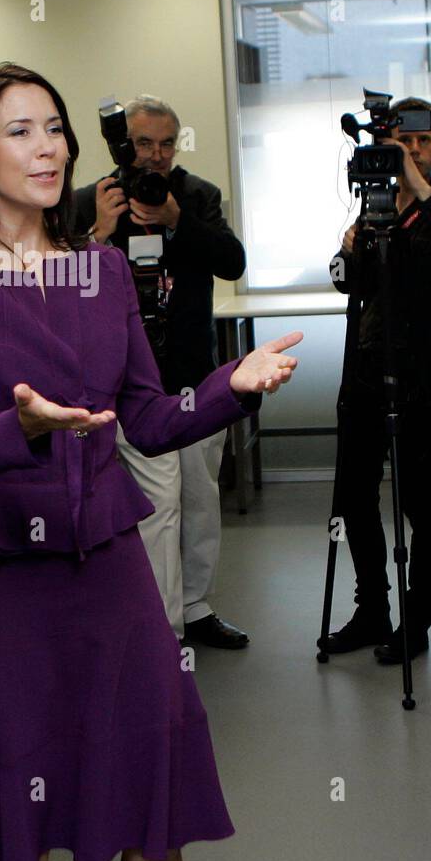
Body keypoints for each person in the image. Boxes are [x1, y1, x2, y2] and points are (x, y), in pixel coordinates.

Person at [0, 63, 301, 861]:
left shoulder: (101, 270)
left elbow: (146, 417)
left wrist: (228, 388)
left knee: (154, 805)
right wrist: (23, 427)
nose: (50, 149)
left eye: (56, 129)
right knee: (14, 816)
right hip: (0, 580)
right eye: (21, 131)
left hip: (107, 569)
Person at [73, 95, 250, 650]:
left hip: (191, 373)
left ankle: (194, 608)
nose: (155, 155)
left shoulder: (197, 195)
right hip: (120, 382)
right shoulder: (90, 200)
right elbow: (55, 285)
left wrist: (179, 221)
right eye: (143, 142)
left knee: (198, 497)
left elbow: (232, 262)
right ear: (122, 143)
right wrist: (98, 234)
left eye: (166, 143)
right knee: (154, 508)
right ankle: (155, 624)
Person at [321, 98, 431, 665]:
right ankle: (373, 612)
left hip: (421, 370)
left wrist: (416, 184)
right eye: (400, 142)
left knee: (424, 504)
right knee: (353, 497)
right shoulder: (374, 213)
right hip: (366, 365)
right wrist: (348, 251)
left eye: (421, 142)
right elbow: (347, 284)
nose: (410, 151)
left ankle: (417, 623)